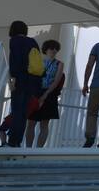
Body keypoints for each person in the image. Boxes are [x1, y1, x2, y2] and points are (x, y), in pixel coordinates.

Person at [6, 20, 41, 148]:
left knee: (16, 111)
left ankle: (12, 141)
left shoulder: (14, 41)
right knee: (24, 113)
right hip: (32, 81)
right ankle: (18, 141)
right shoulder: (33, 42)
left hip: (20, 79)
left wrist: (13, 78)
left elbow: (15, 60)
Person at [25, 39, 65, 148]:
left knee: (44, 123)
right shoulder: (39, 61)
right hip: (36, 92)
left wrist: (46, 94)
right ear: (46, 49)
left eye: (56, 48)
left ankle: (38, 149)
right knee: (31, 122)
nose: (54, 50)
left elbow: (56, 81)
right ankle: (28, 148)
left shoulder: (59, 64)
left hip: (50, 93)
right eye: (51, 48)